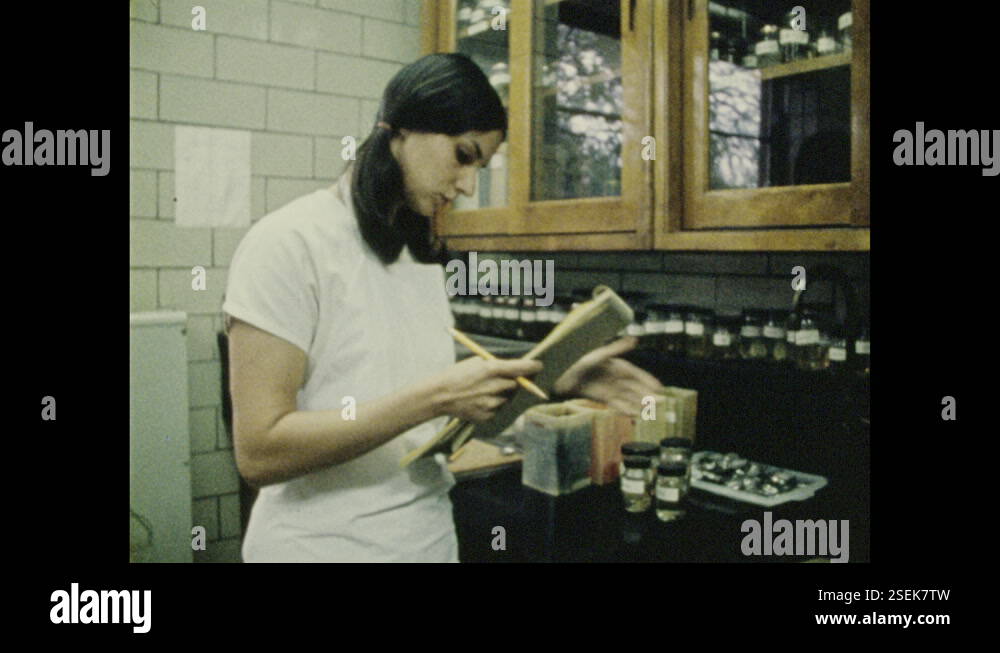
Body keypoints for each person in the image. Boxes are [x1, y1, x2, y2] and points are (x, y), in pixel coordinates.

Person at [222, 53, 662, 562]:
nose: (469, 185)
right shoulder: (288, 243)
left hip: (425, 540)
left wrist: (555, 378)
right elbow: (259, 451)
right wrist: (433, 399)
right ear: (403, 128)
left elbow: (406, 389)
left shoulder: (417, 254)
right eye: (463, 154)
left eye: (480, 165)